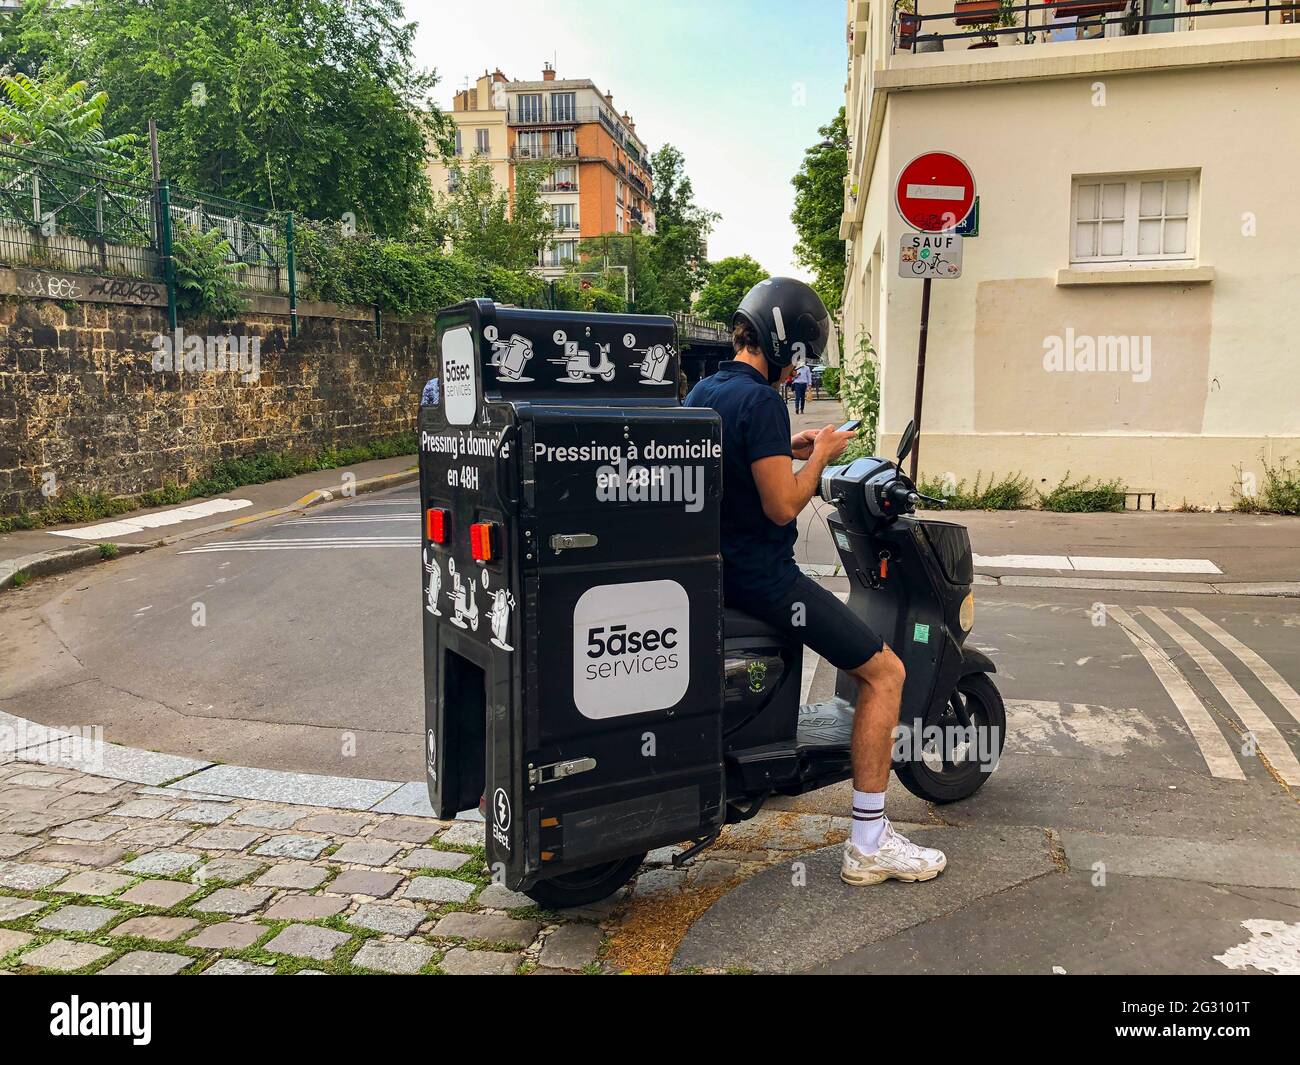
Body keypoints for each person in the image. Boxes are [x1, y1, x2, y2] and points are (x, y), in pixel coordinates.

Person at [685, 277, 946, 887]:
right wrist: (822, 456)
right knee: (886, 673)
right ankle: (868, 841)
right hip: (763, 578)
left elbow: (739, 462)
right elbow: (781, 505)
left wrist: (792, 444)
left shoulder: (708, 390)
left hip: (717, 571)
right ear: (789, 347)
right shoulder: (763, 403)